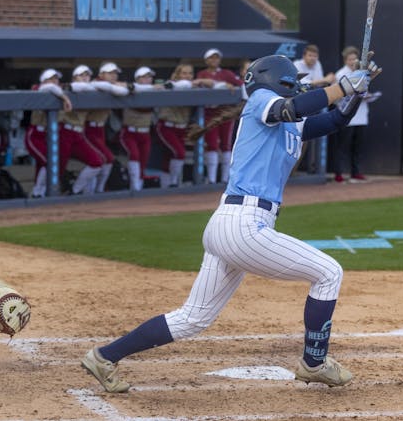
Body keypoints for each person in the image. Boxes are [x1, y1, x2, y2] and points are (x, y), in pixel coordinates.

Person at [81, 54, 380, 393]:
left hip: (232, 226)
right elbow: (292, 107)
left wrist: (357, 92)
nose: (298, 83)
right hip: (243, 224)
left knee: (193, 318)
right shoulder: (261, 101)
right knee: (329, 273)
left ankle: (104, 356)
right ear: (278, 80)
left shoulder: (289, 124)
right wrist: (341, 86)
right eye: (293, 79)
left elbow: (334, 121)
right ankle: (314, 362)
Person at [156, 63, 215, 188]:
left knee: (170, 157)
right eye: (184, 73)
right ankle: (173, 184)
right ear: (178, 74)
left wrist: (198, 81)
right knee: (179, 153)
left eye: (190, 73)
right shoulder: (171, 84)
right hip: (166, 126)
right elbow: (166, 86)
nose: (187, 76)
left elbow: (212, 84)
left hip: (182, 128)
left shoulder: (193, 85)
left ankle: (166, 187)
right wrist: (190, 83)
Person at [332, 46, 382, 183]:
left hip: (361, 115)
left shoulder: (363, 73)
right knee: (342, 147)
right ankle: (339, 174)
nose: (352, 61)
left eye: (355, 59)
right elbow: (338, 94)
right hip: (346, 115)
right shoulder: (340, 74)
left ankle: (356, 172)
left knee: (357, 147)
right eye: (350, 59)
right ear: (345, 60)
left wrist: (367, 96)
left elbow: (364, 91)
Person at [197, 48, 244, 183]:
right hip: (209, 113)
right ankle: (211, 179)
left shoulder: (226, 73)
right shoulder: (202, 74)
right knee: (211, 144)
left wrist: (230, 86)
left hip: (225, 113)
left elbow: (241, 85)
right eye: (211, 58)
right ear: (206, 60)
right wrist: (222, 84)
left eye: (216, 58)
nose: (214, 60)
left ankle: (225, 178)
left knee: (226, 145)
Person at [24, 68, 73, 198]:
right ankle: (37, 192)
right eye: (52, 78)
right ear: (44, 80)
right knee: (49, 162)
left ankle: (41, 192)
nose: (55, 81)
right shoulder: (40, 89)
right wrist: (65, 98)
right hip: (34, 135)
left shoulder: (57, 92)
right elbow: (49, 87)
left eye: (57, 79)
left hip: (46, 136)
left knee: (44, 164)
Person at [86, 62, 130, 192]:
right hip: (88, 129)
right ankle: (84, 191)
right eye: (110, 73)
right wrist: (118, 85)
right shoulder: (96, 84)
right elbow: (121, 91)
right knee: (100, 160)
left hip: (100, 129)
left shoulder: (111, 86)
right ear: (101, 74)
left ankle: (98, 190)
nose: (114, 76)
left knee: (106, 160)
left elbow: (125, 90)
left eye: (115, 73)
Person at [65, 65, 107, 194]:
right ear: (74, 77)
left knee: (96, 161)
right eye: (81, 75)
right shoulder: (69, 88)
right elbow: (74, 86)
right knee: (56, 165)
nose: (85, 77)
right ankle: (40, 195)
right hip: (63, 132)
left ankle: (75, 191)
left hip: (78, 133)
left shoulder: (91, 91)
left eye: (87, 75)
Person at [120, 66, 162, 191]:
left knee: (143, 160)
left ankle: (139, 189)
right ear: (137, 79)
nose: (148, 79)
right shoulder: (130, 88)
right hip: (130, 132)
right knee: (134, 155)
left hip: (145, 132)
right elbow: (125, 87)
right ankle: (135, 188)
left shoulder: (154, 91)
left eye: (149, 77)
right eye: (144, 77)